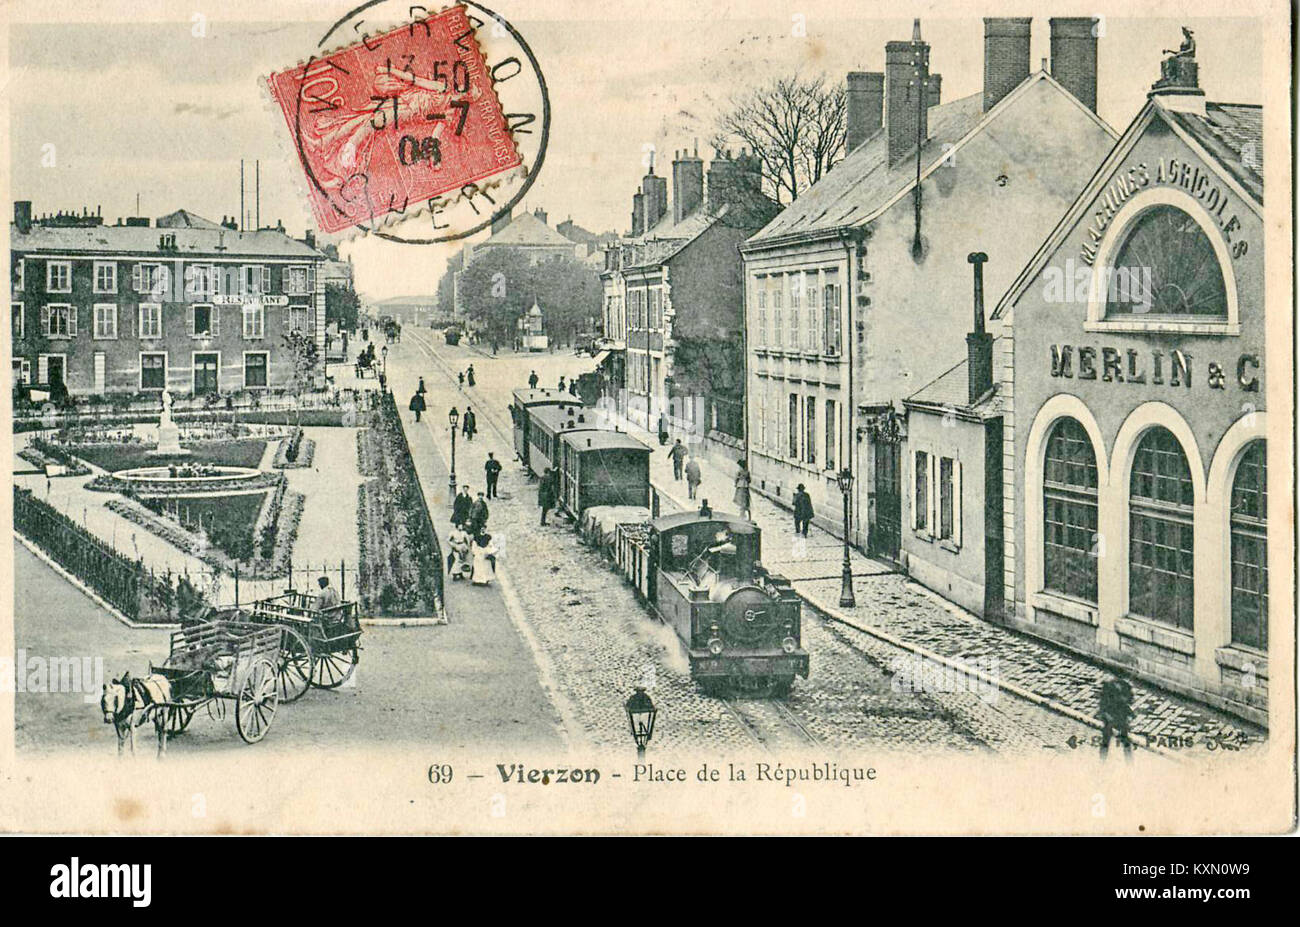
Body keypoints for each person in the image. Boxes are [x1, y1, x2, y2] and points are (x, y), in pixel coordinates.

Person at [1098, 677, 1135, 760]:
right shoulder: (1108, 686)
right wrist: (1106, 716)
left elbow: (1130, 701)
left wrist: (1129, 713)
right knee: (1106, 740)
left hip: (1121, 716)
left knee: (1125, 739)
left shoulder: (1126, 686)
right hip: (1109, 716)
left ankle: (1129, 762)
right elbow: (1102, 705)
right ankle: (1102, 761)